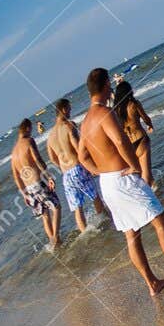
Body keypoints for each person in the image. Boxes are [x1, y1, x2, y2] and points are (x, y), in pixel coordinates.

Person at [79, 67, 164, 296]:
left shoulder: (85, 122)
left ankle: (152, 283)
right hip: (123, 179)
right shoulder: (104, 114)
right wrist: (133, 166)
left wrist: (101, 171)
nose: (111, 87)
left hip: (107, 183)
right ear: (105, 85)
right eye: (109, 84)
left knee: (131, 233)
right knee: (161, 220)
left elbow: (82, 157)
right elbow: (121, 142)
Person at [45, 98, 104, 231]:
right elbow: (79, 149)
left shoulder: (50, 136)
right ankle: (105, 221)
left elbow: (52, 158)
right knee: (95, 197)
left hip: (66, 175)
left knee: (78, 208)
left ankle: (85, 232)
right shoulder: (68, 126)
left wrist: (62, 166)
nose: (70, 112)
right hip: (78, 168)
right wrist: (91, 165)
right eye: (69, 109)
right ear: (64, 109)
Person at [10, 119, 60, 250]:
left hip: (29, 189)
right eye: (31, 128)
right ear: (27, 128)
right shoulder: (29, 141)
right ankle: (56, 238)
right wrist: (49, 176)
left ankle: (52, 242)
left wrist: (24, 194)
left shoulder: (13, 153)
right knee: (56, 207)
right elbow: (38, 160)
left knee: (45, 215)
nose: (31, 131)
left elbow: (16, 177)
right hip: (38, 183)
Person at [112, 80, 155, 186]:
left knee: (140, 175)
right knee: (147, 176)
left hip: (128, 145)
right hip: (140, 140)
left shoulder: (116, 110)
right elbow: (145, 118)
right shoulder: (134, 104)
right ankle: (151, 198)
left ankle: (158, 193)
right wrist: (150, 125)